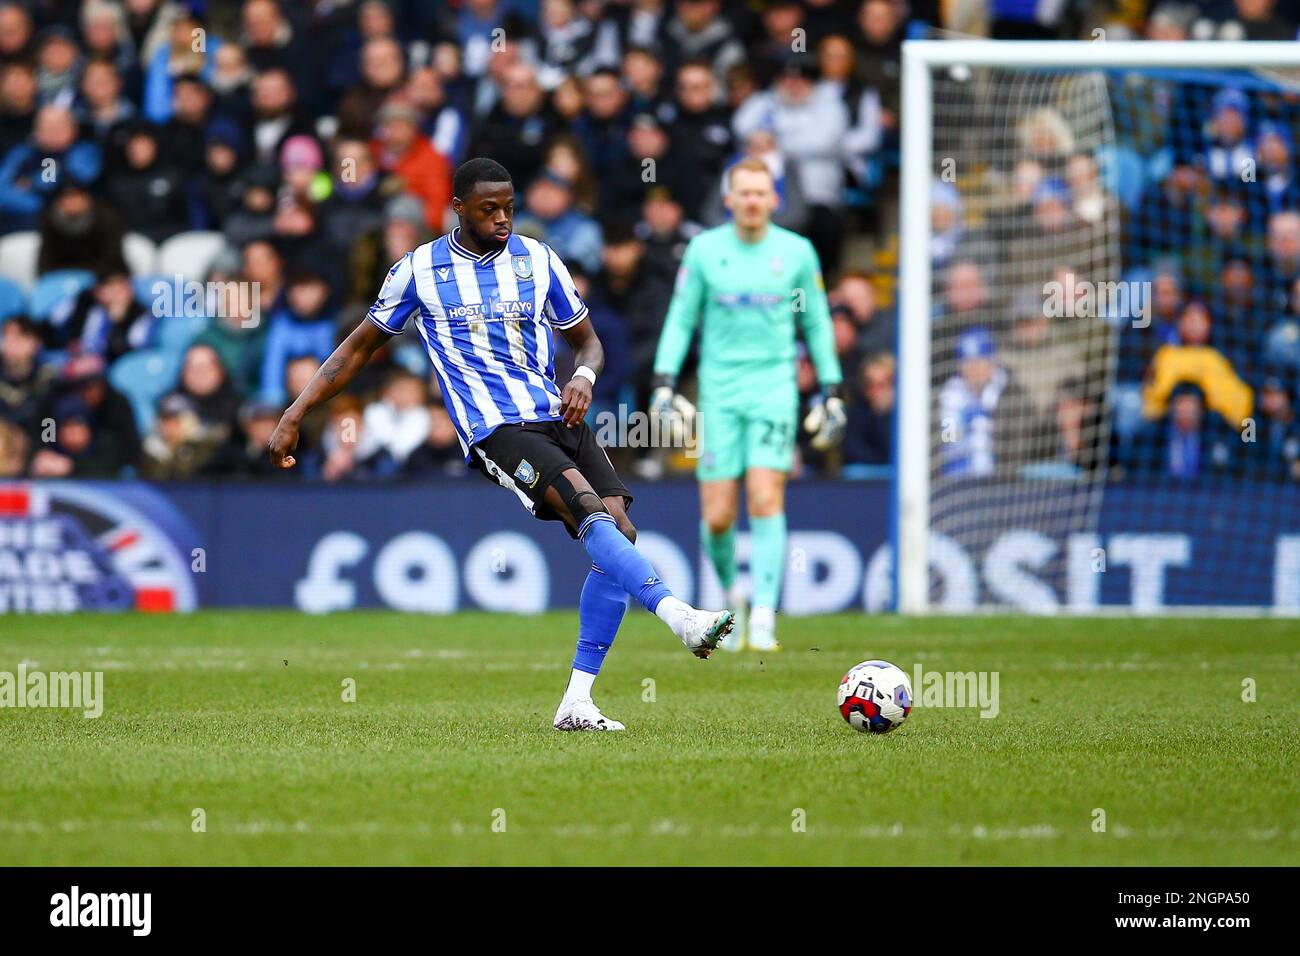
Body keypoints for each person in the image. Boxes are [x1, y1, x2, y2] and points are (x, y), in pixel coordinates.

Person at [267, 157, 734, 732]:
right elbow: (358, 349)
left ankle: (577, 702)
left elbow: (587, 343)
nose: (503, 219)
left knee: (620, 529)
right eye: (489, 209)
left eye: (509, 207)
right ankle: (681, 617)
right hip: (495, 429)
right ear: (458, 208)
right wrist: (295, 412)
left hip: (557, 413)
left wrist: (583, 378)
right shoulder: (419, 271)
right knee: (589, 511)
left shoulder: (539, 260)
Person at [650, 157, 844, 651]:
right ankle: (733, 595)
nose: (754, 201)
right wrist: (665, 380)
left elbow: (817, 322)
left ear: (774, 199)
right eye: (745, 192)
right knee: (716, 515)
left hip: (774, 390)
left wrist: (832, 386)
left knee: (764, 496)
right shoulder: (705, 250)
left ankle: (763, 617)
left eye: (762, 192)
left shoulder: (796, 252)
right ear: (730, 199)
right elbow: (681, 317)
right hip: (718, 394)